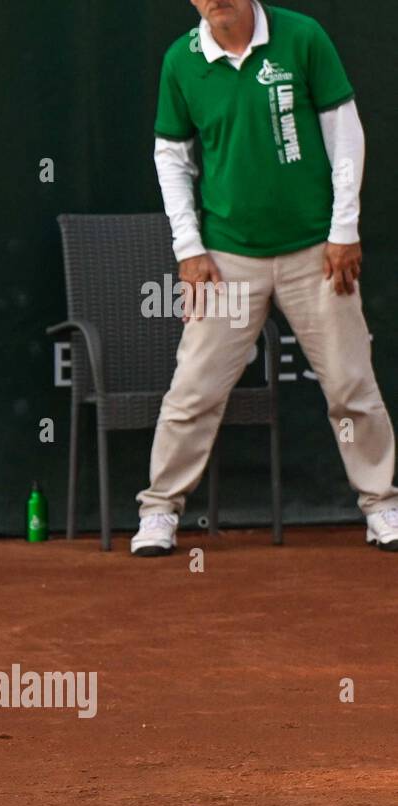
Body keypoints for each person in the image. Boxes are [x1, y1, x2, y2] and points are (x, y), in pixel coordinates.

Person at [133, 0, 398, 556]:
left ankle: (382, 504)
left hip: (316, 253)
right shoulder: (182, 61)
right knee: (193, 392)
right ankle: (160, 509)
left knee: (352, 386)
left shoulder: (301, 37)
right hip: (227, 259)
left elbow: (343, 134)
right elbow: (171, 157)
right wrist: (189, 247)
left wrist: (343, 229)